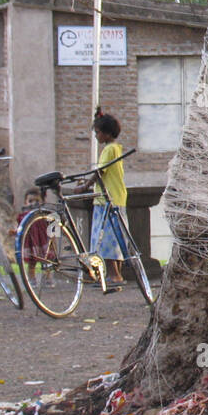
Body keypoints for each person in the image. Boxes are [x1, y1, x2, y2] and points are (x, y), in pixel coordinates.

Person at [88, 108, 127, 286]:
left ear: (105, 133)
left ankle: (114, 275)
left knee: (105, 240)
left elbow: (99, 172)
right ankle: (115, 274)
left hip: (106, 200)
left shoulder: (108, 150)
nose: (96, 136)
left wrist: (85, 186)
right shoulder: (116, 149)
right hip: (118, 198)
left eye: (97, 132)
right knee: (116, 239)